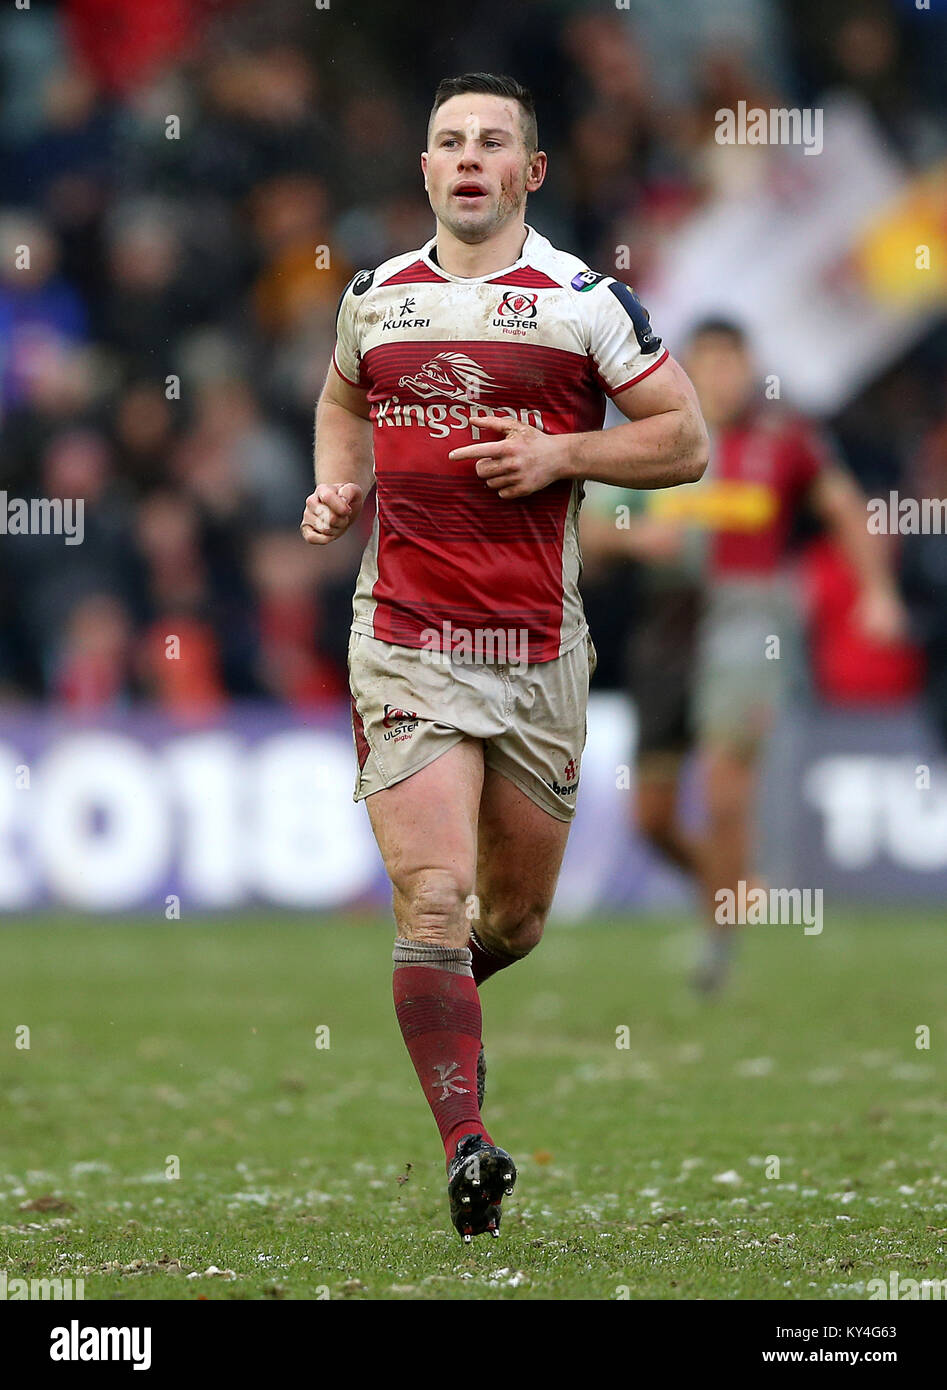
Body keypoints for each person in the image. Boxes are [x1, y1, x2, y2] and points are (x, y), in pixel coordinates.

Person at [300, 72, 708, 1241]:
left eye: (492, 142)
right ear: (423, 170)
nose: (468, 157)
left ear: (529, 171)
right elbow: (340, 402)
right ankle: (466, 1145)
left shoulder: (585, 302)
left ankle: (435, 1007)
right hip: (406, 637)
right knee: (433, 897)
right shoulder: (374, 299)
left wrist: (561, 454)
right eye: (447, 141)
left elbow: (682, 438)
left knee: (513, 921)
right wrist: (340, 483)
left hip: (534, 648)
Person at [588, 319, 907, 993]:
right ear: (687, 371)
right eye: (706, 364)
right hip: (667, 626)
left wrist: (875, 594)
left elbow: (845, 508)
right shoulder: (653, 435)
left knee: (726, 788)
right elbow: (586, 528)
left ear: (747, 369)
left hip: (749, 618)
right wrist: (633, 540)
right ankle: (727, 885)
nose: (721, 378)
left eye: (731, 364)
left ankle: (715, 947)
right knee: (650, 817)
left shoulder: (784, 438)